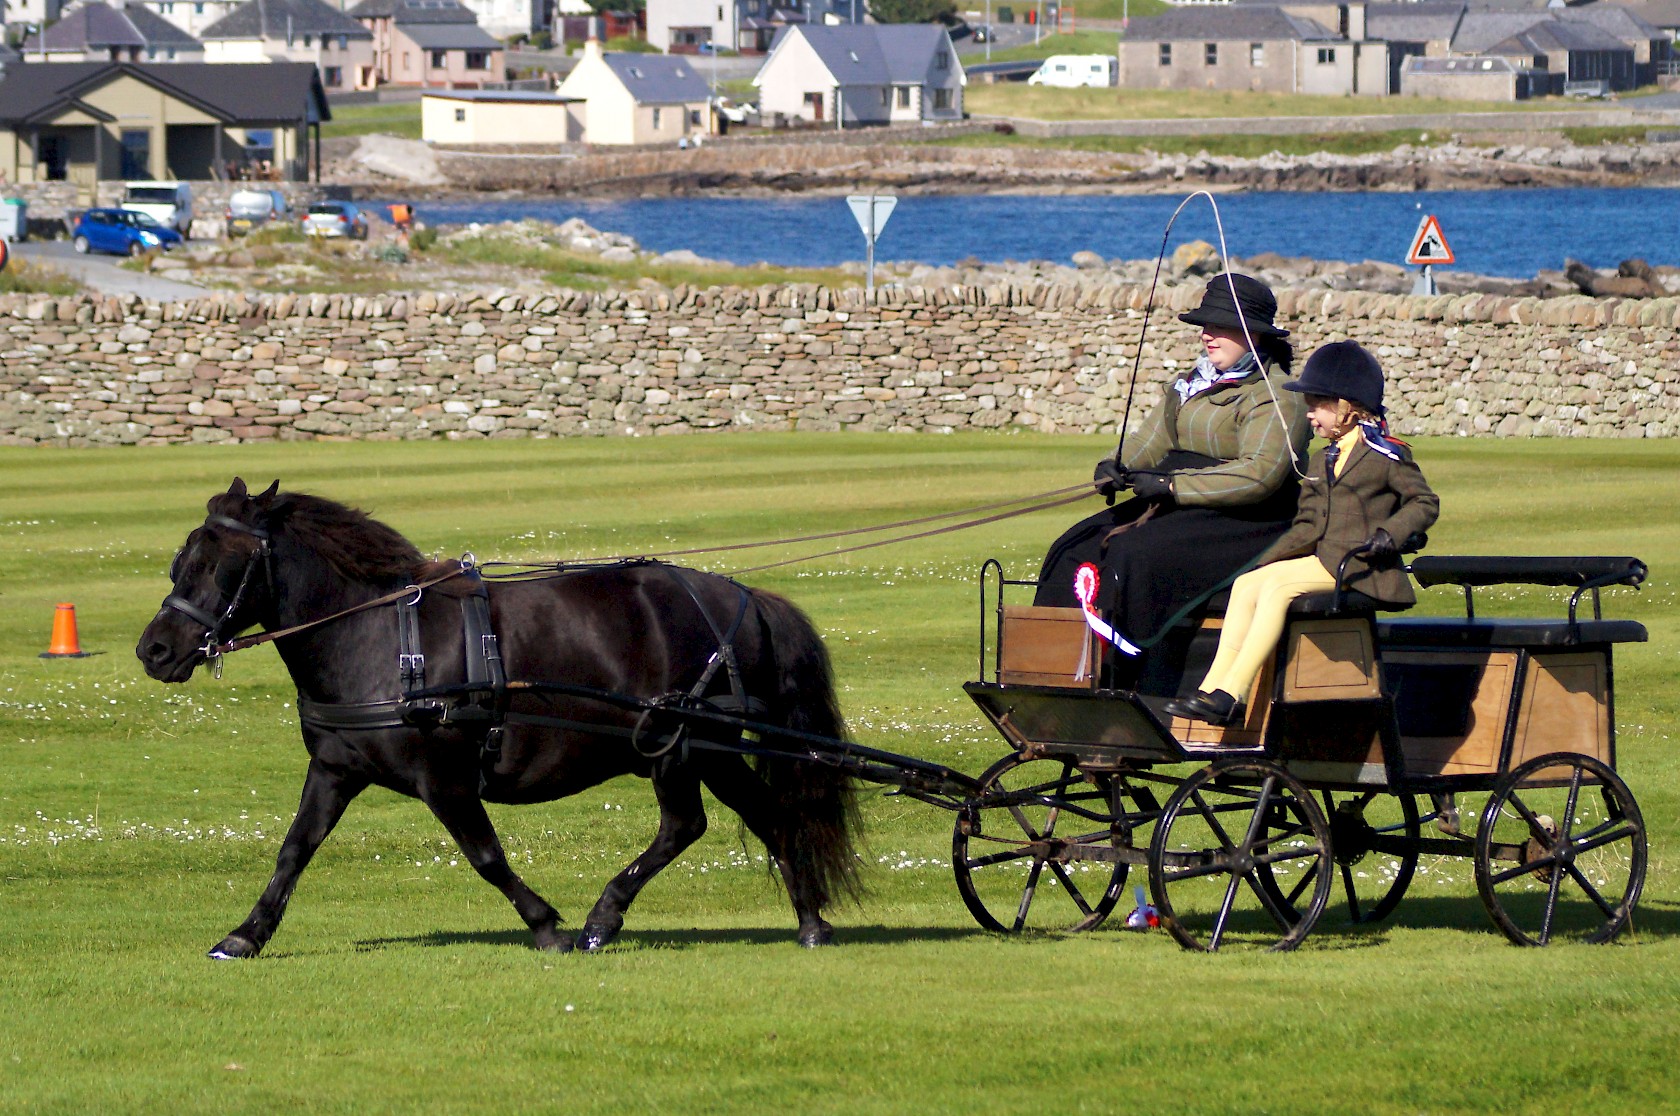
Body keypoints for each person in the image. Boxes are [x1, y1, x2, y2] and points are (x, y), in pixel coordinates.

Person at [1035, 273, 1311, 682]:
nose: (1206, 335)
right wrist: (1115, 466)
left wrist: (1171, 486)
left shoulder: (1277, 394)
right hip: (1181, 504)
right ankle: (1048, 667)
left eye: (1219, 326)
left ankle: (1130, 674)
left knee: (1133, 555)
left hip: (1247, 518)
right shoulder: (1190, 383)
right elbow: (1150, 440)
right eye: (1205, 325)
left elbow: (1260, 475)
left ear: (1253, 333)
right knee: (1073, 545)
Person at [1165, 340, 1440, 725]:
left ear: (1345, 407)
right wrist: (1265, 562)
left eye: (1316, 406)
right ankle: (1212, 688)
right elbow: (1308, 525)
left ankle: (1233, 693)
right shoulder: (1320, 459)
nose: (1309, 414)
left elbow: (1424, 502)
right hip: (1325, 560)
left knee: (1278, 590)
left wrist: (1390, 534)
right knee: (1247, 584)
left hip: (1362, 566)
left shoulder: (1387, 455)